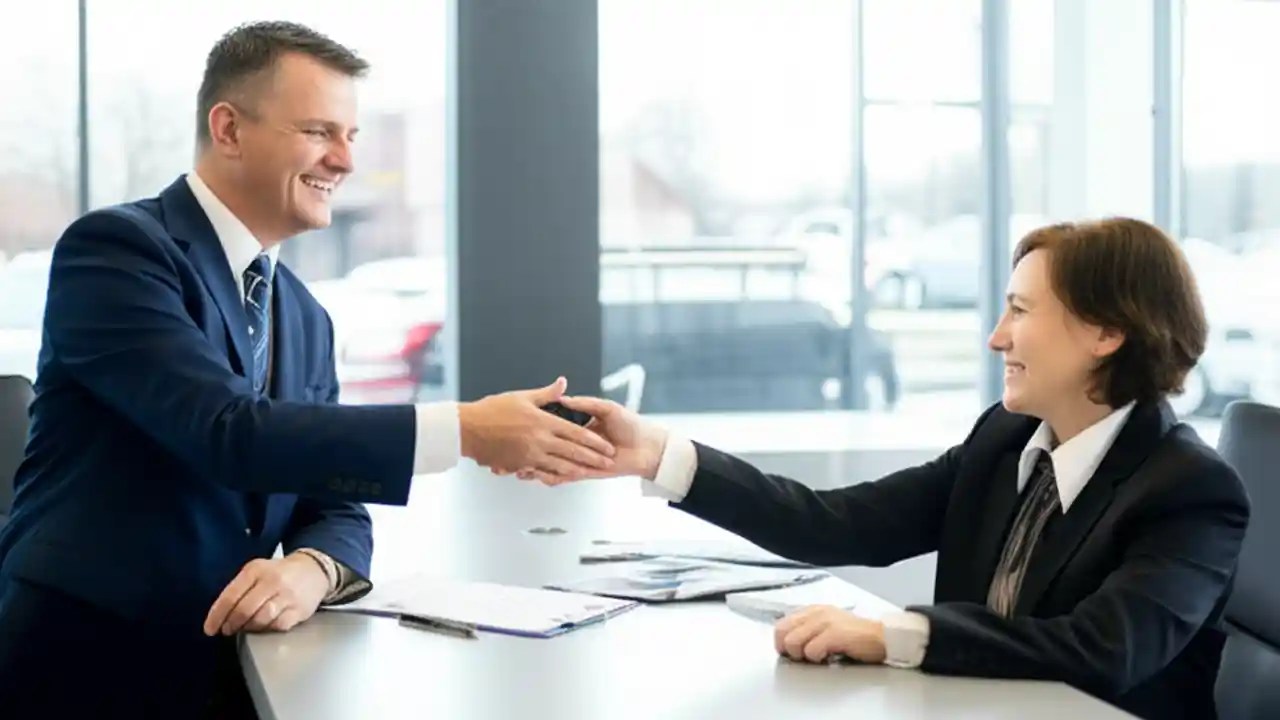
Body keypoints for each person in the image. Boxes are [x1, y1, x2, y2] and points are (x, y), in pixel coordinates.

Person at [0, 21, 613, 718]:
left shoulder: (303, 314)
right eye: (320, 131)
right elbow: (227, 431)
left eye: (351, 135)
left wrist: (312, 568)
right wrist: (466, 430)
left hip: (243, 664)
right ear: (228, 129)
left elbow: (334, 503)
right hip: (91, 665)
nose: (344, 160)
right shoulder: (117, 253)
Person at [545, 218, 1250, 720]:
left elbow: (1106, 649)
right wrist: (658, 455)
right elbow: (837, 523)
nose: (995, 336)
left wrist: (894, 636)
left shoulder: (1190, 490)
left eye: (1021, 311)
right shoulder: (1006, 440)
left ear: (1105, 332)